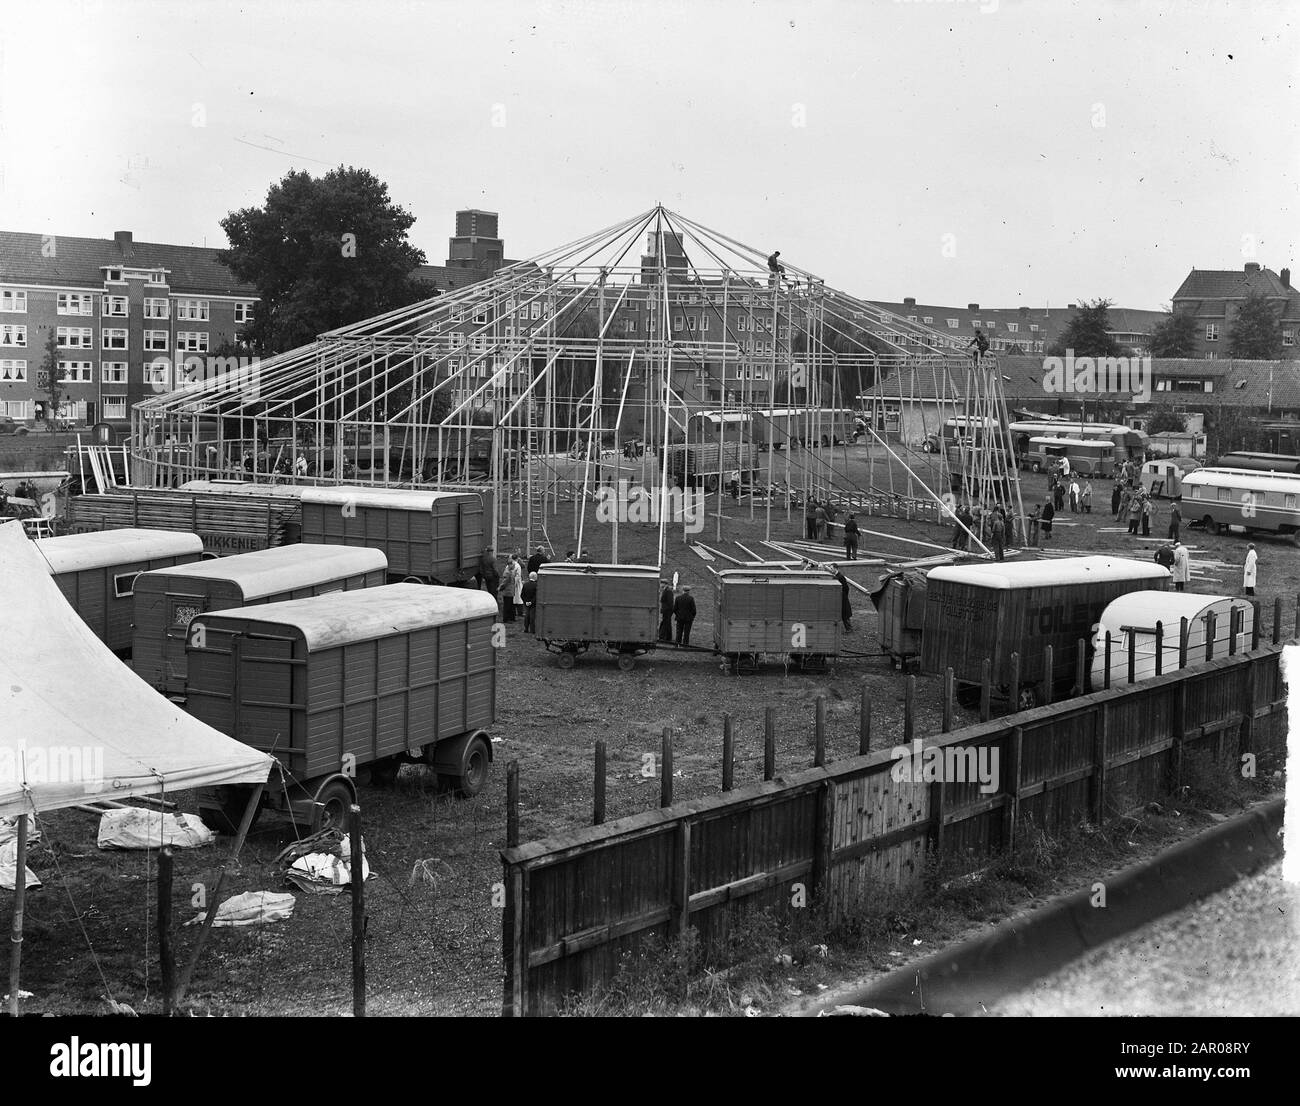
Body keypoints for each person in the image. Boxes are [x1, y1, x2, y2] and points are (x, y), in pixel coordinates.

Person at [499, 555, 521, 622]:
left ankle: (511, 617)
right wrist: (500, 588)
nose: (514, 566)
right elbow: (504, 582)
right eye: (513, 565)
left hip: (511, 591)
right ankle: (506, 618)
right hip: (508, 592)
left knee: (511, 605)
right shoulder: (507, 572)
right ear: (509, 565)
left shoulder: (511, 571)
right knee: (507, 606)